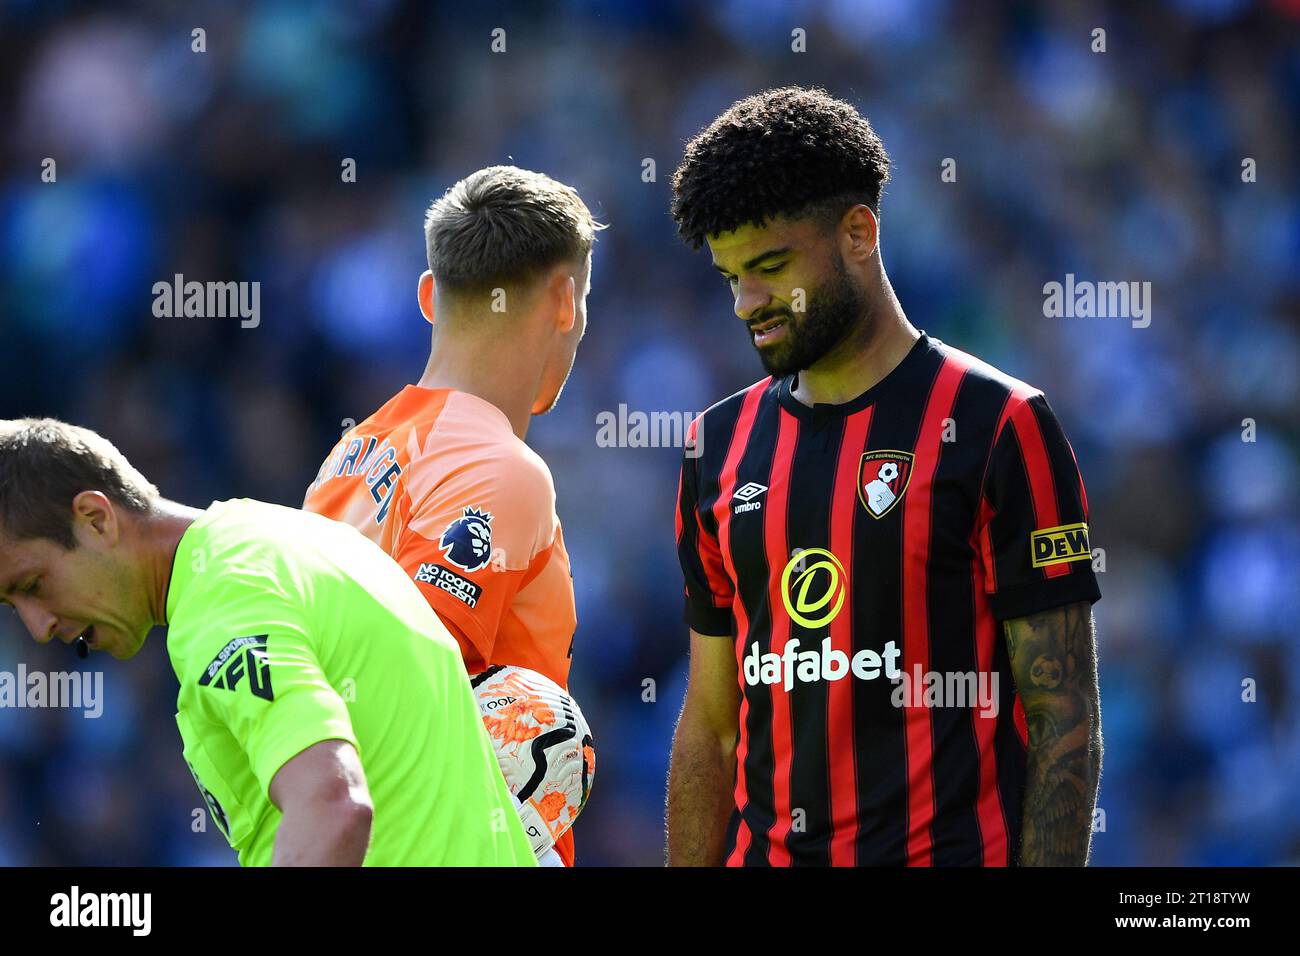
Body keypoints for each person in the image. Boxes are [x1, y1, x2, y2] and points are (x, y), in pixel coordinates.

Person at [666, 87, 1103, 867]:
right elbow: (710, 721)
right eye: (731, 276)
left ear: (859, 233)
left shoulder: (998, 425)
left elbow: (1062, 711)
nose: (747, 303)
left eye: (770, 266)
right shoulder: (716, 446)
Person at [0, 418, 536, 867]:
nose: (38, 626)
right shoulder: (286, 539)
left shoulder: (220, 603)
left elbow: (331, 805)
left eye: (33, 585)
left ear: (95, 520)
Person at [304, 165, 600, 865]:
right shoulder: (500, 470)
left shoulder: (350, 452)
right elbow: (410, 683)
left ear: (430, 296)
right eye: (585, 299)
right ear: (564, 300)